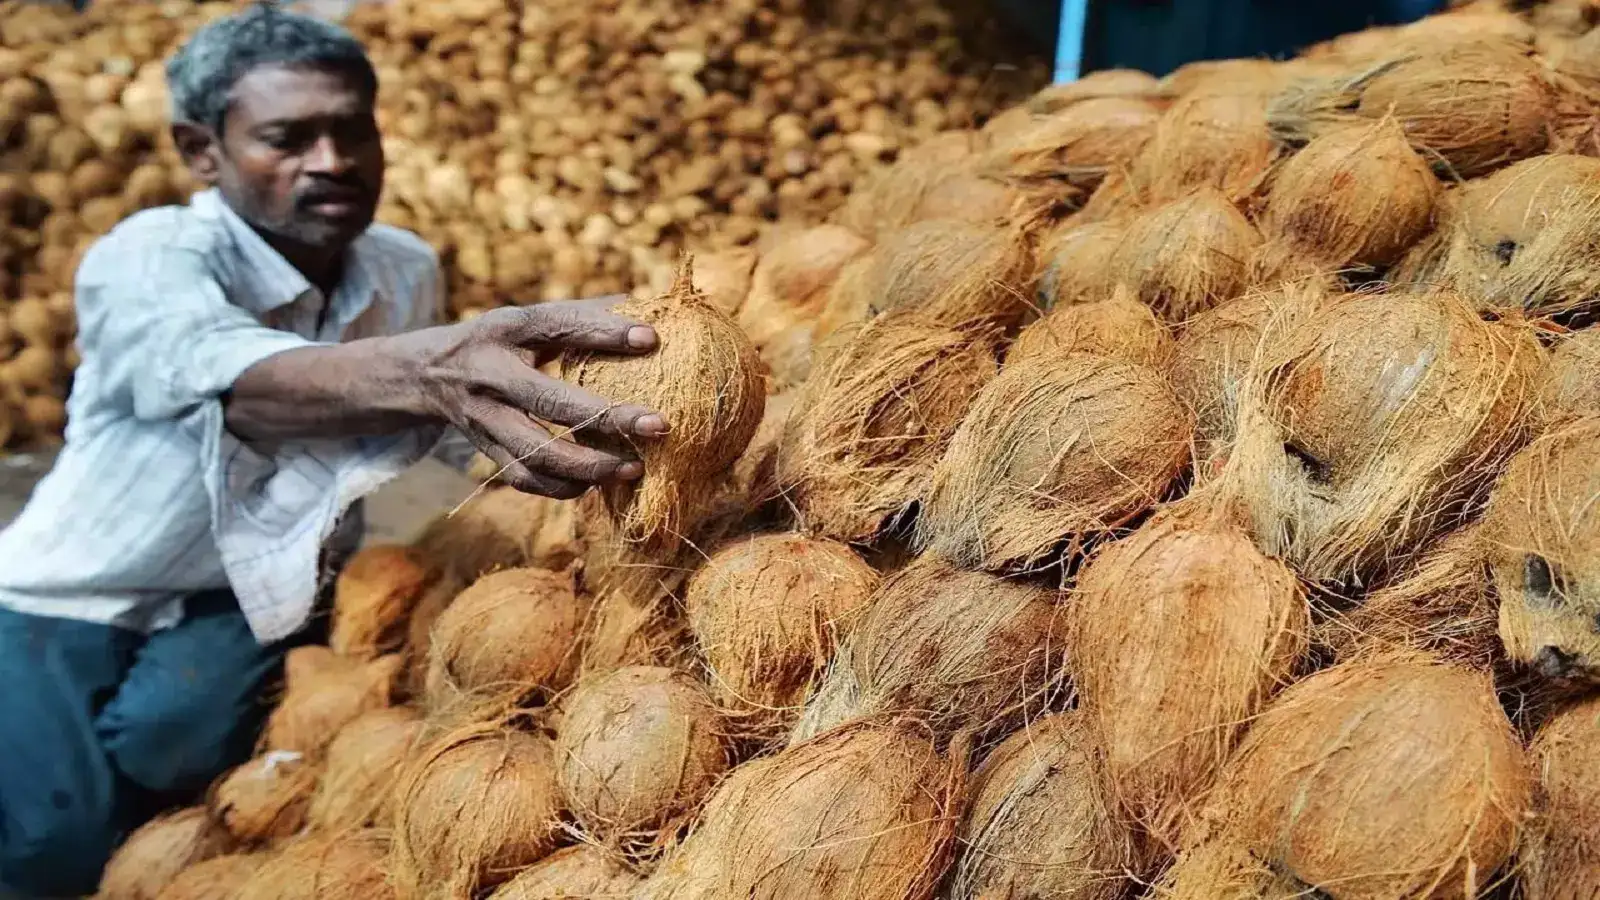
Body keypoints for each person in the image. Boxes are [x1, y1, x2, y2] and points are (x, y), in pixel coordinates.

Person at [0, 5, 667, 895]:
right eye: (289, 138)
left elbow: (405, 451)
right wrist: (431, 372)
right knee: (52, 850)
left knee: (176, 754)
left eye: (353, 130)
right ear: (204, 151)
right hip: (76, 591)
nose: (334, 162)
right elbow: (240, 382)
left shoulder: (400, 266)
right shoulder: (149, 257)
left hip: (247, 585)